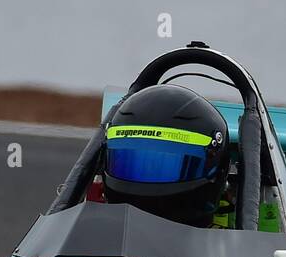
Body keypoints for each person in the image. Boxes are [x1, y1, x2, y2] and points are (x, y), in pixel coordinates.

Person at [100, 84, 234, 228]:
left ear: (217, 174)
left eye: (165, 166)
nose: (143, 188)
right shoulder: (87, 232)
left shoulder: (233, 247)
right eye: (131, 164)